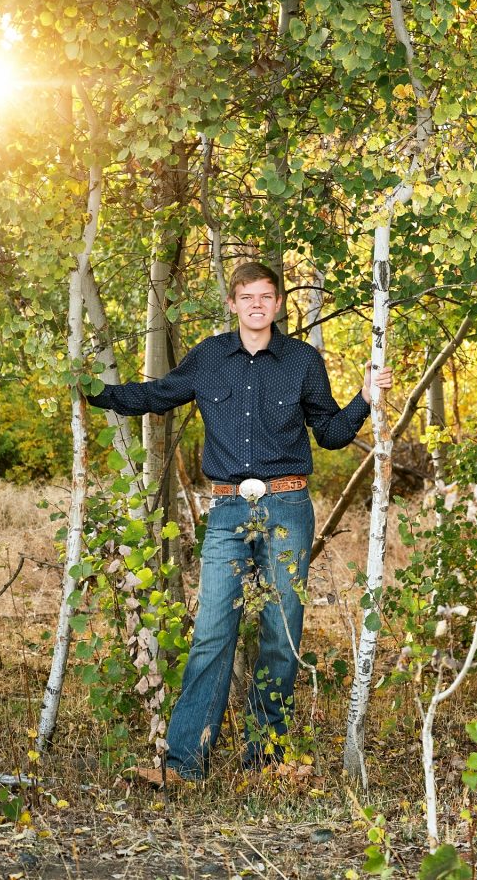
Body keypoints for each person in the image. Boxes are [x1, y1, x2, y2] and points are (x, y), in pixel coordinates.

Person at [87, 261, 391, 786]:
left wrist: (364, 400)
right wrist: (92, 387)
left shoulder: (301, 361)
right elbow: (155, 395)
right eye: (246, 296)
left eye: (266, 296)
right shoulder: (209, 358)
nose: (256, 304)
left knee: (280, 632)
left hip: (287, 508)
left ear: (277, 304)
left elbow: (332, 435)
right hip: (227, 511)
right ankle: (184, 765)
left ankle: (265, 762)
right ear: (232, 303)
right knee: (211, 633)